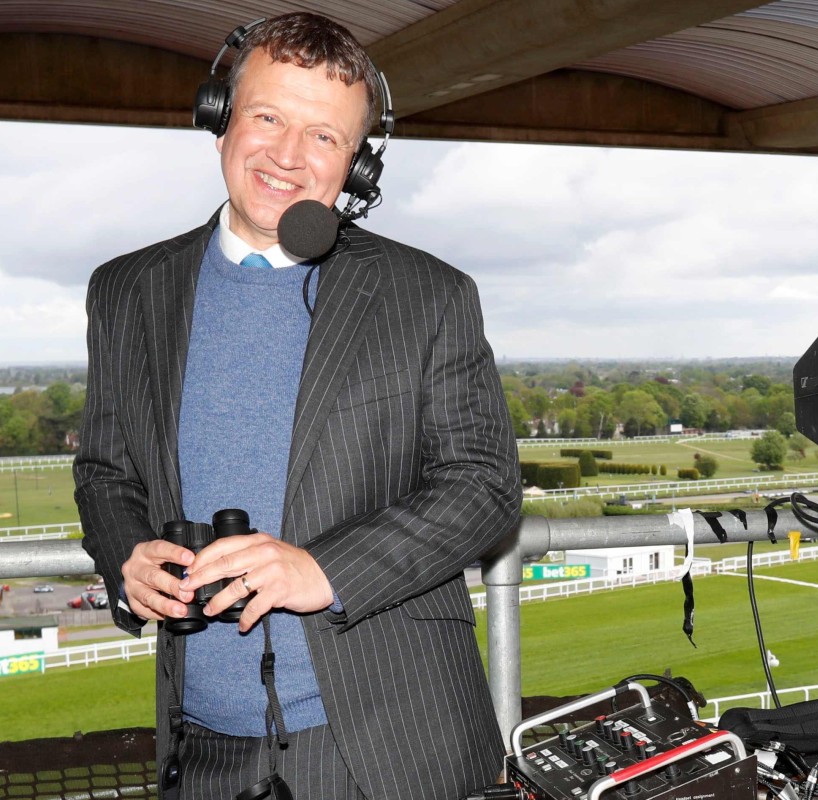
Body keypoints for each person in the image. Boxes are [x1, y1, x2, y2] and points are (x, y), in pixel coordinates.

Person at [72, 12, 520, 800]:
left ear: (357, 166)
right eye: (268, 117)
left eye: (323, 136)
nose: (286, 155)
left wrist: (324, 569)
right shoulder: (125, 290)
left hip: (390, 747)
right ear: (219, 122)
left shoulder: (429, 294)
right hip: (198, 743)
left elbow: (483, 486)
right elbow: (106, 472)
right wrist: (126, 559)